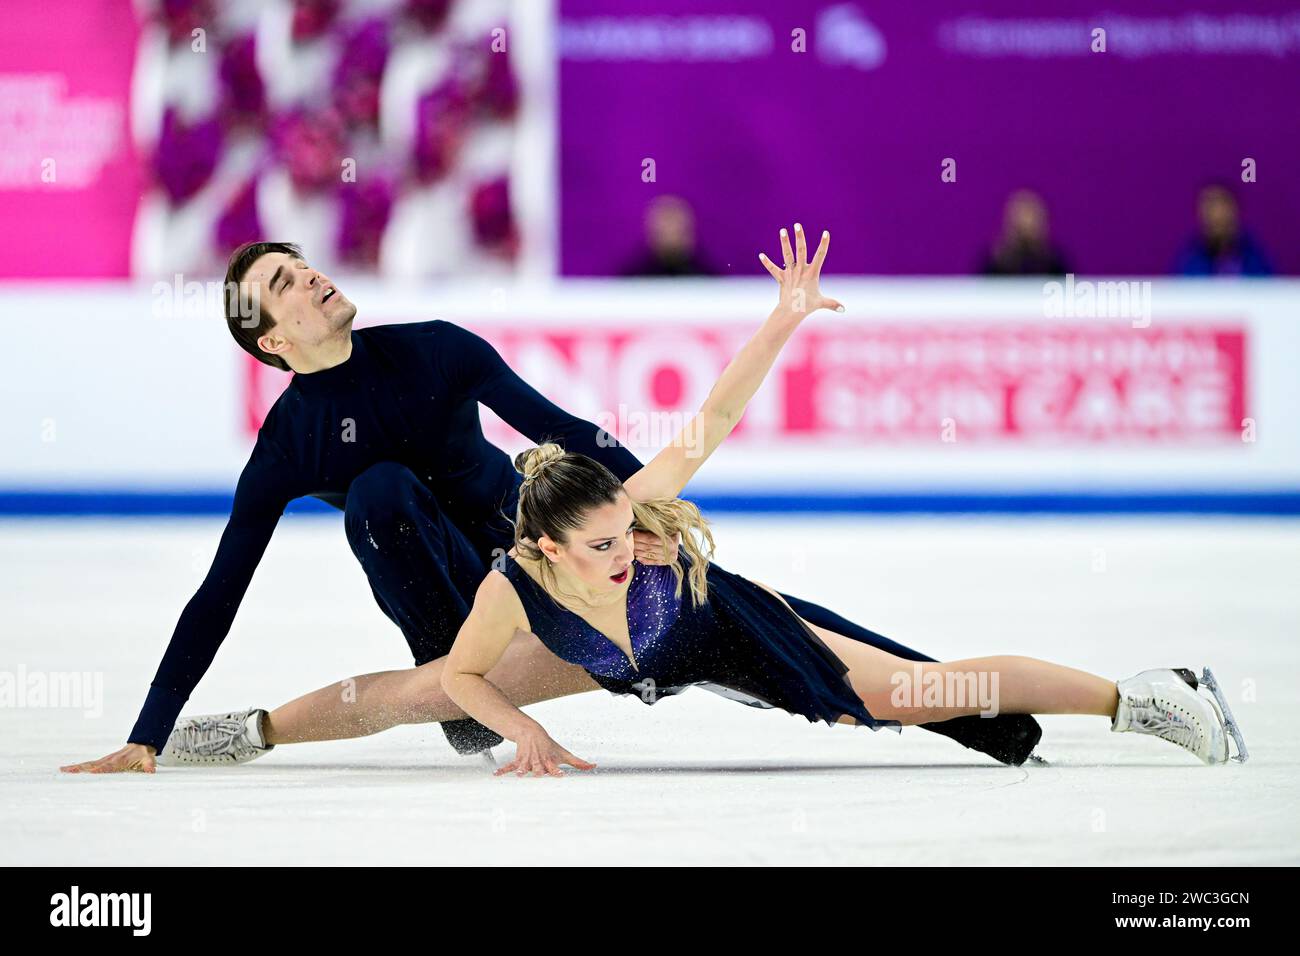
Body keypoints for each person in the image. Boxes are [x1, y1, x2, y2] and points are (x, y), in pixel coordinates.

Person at [61, 235, 1041, 774]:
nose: (312, 274)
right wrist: (151, 729)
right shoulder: (288, 443)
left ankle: (995, 721)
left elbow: (564, 427)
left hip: (561, 557)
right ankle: (447, 683)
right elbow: (218, 591)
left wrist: (640, 510)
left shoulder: (437, 347)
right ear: (268, 338)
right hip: (476, 613)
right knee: (381, 490)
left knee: (791, 632)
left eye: (302, 261)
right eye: (284, 282)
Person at [442, 224, 1247, 776]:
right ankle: (1131, 696)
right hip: (721, 664)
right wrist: (527, 731)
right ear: (547, 550)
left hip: (746, 630)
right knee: (911, 695)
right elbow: (464, 678)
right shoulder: (510, 591)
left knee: (918, 691)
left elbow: (714, 417)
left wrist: (782, 321)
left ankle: (1140, 700)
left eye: (626, 532)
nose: (625, 552)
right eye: (604, 547)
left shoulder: (637, 507)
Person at [1173, 184, 1273, 276]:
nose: (1217, 215)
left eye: (1222, 204)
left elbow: (1267, 288)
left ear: (1235, 209)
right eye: (1209, 206)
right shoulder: (1190, 258)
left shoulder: (1253, 255)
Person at [980, 189, 1070, 276]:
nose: (1025, 223)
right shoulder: (994, 263)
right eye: (1020, 216)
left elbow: (1068, 287)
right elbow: (981, 288)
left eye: (1030, 216)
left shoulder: (1053, 263)